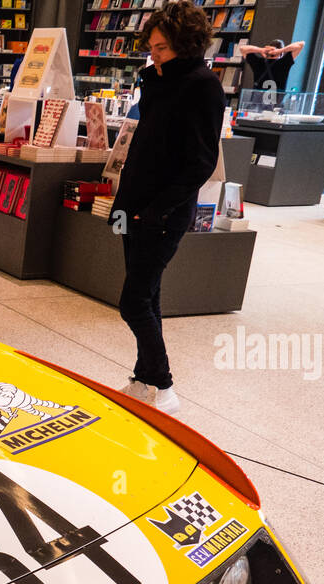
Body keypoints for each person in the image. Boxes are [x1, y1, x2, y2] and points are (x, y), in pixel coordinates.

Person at [109, 1, 223, 414]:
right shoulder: (158, 80)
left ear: (184, 44)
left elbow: (201, 162)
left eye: (160, 48)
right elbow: (145, 145)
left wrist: (157, 209)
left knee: (133, 302)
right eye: (151, 47)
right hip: (135, 204)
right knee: (148, 296)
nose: (152, 55)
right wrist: (124, 207)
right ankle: (143, 381)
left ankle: (164, 386)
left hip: (164, 212)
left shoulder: (202, 85)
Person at [239, 39, 305, 94]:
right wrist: (281, 50)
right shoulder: (284, 63)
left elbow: (242, 48)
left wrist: (261, 50)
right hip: (275, 105)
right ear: (281, 54)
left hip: (256, 103)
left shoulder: (258, 62)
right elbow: (301, 44)